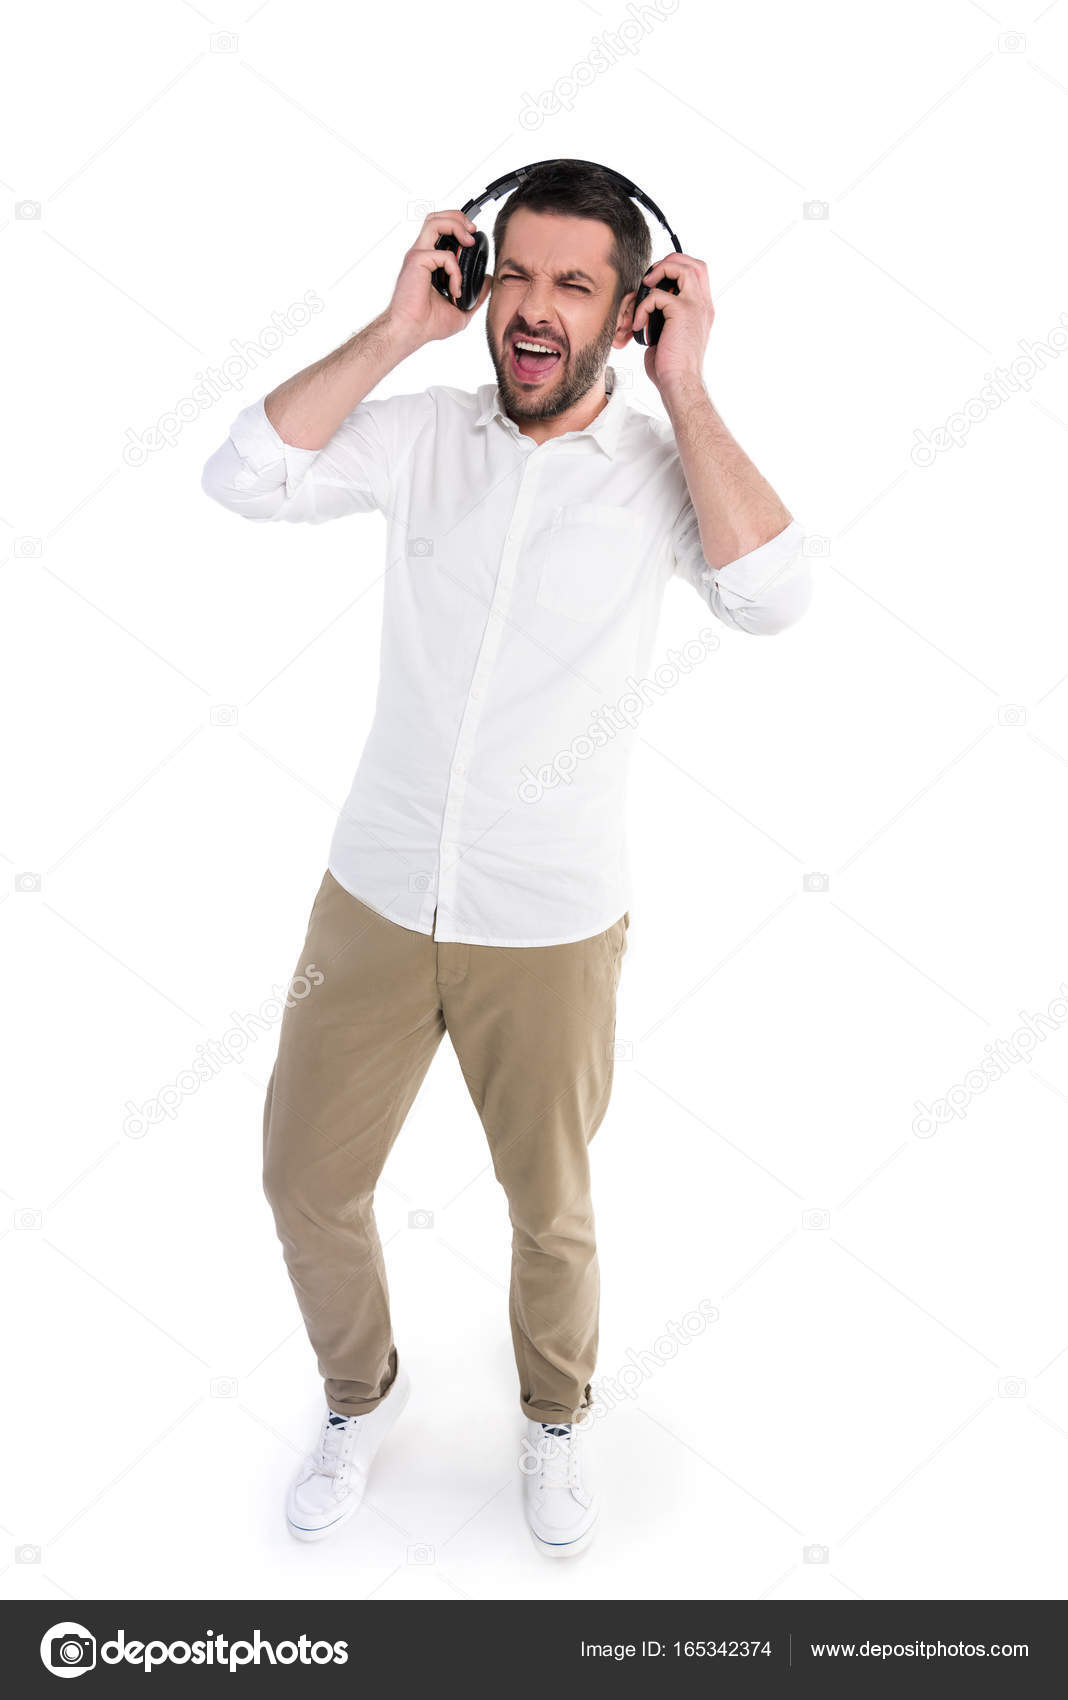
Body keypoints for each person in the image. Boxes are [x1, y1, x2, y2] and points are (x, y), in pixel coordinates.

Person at [201, 158, 812, 1558]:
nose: (533, 311)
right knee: (304, 1178)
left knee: (549, 1206)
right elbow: (244, 472)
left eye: (574, 285)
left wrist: (692, 388)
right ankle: (360, 1396)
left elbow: (775, 598)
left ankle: (554, 1416)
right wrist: (397, 331)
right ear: (475, 276)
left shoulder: (666, 473)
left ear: (631, 310)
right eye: (512, 275)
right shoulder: (421, 434)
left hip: (548, 920)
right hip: (372, 895)